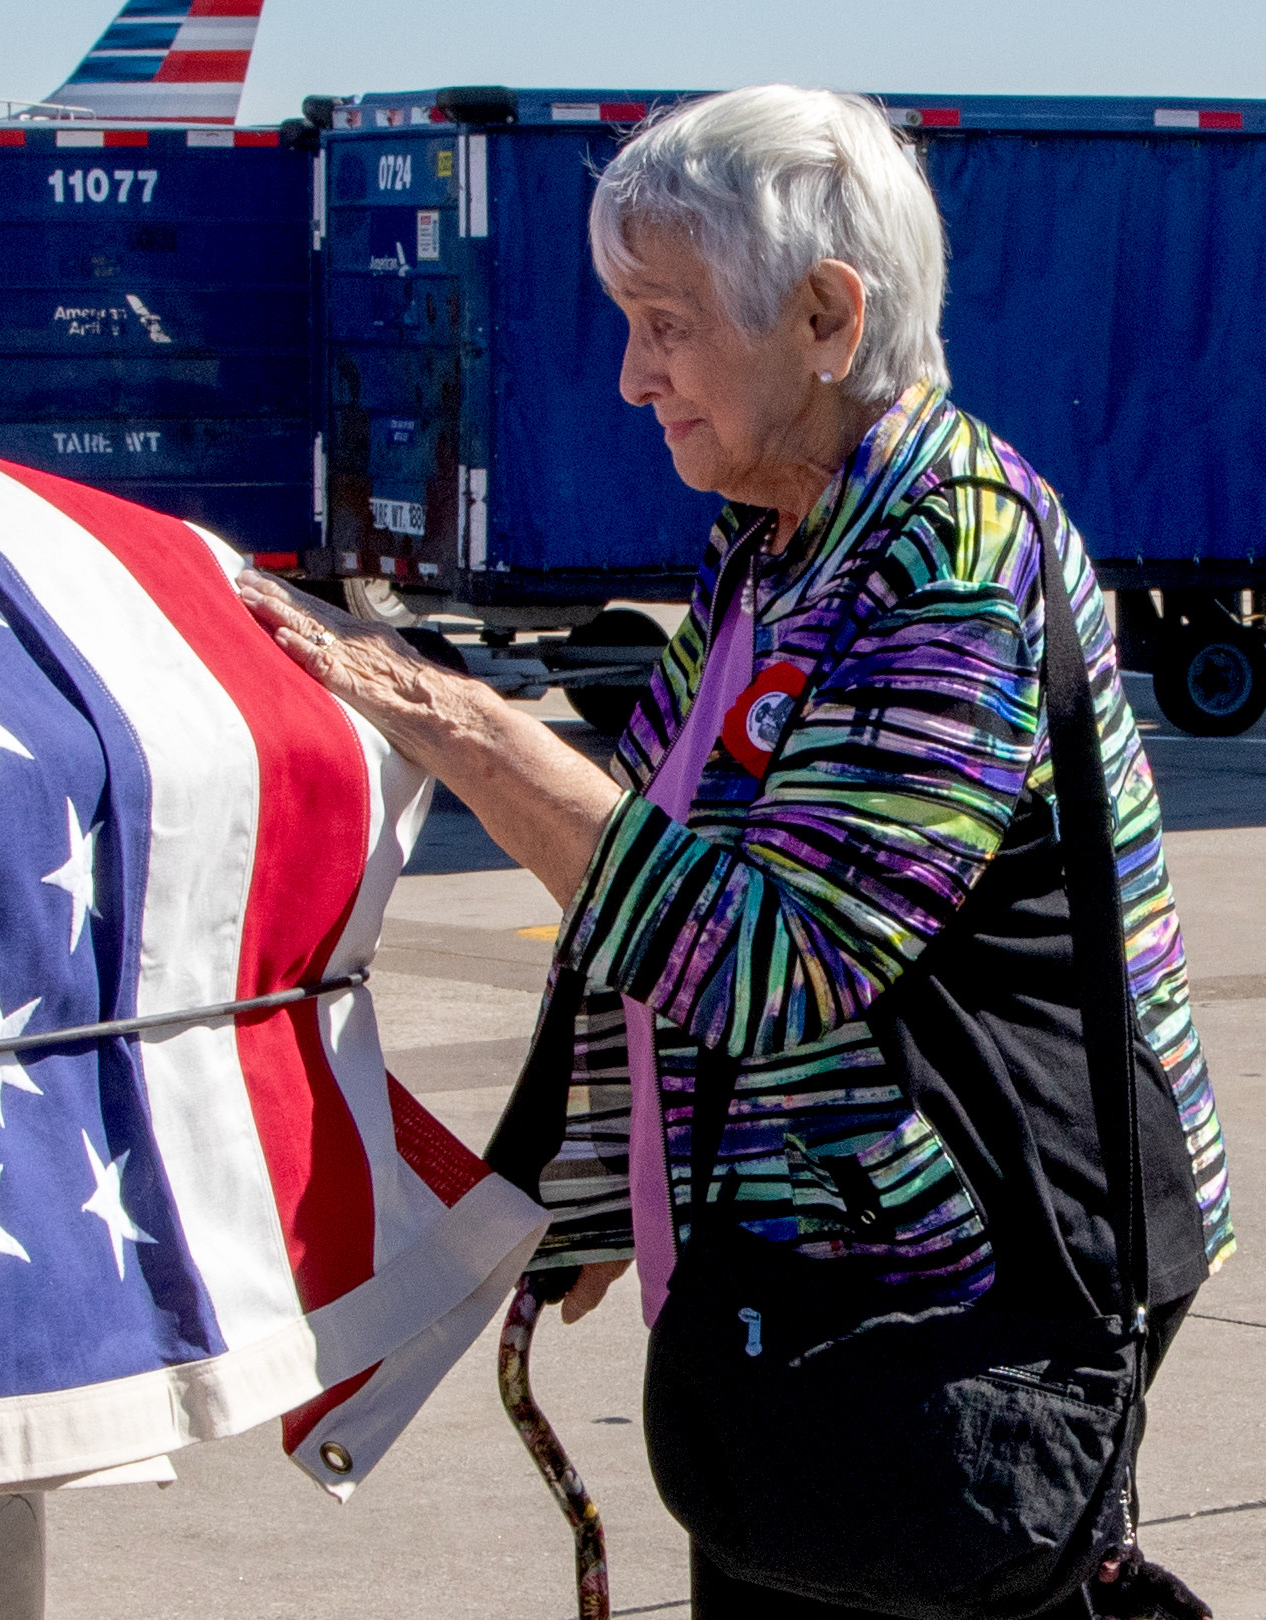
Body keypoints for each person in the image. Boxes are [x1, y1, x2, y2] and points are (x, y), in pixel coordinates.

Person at [239, 85, 1230, 1619]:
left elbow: (781, 961)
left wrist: (475, 734)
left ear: (827, 315)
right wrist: (576, 1182)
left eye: (668, 322)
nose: (635, 376)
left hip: (960, 1279)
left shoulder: (947, 553)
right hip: (811, 1263)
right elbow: (643, 898)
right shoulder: (782, 535)